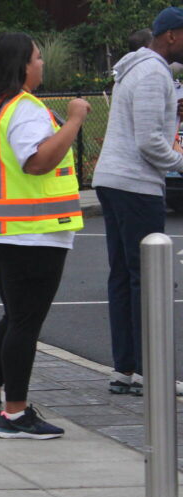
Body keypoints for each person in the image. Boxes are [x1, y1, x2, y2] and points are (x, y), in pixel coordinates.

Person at [0, 33, 91, 439]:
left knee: (16, 318)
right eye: (37, 57)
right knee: (25, 324)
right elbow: (36, 162)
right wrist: (73, 120)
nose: (42, 63)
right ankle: (15, 414)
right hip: (31, 234)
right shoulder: (25, 110)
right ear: (22, 66)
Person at [94, 7, 183, 398]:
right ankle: (151, 372)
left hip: (114, 181)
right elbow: (149, 141)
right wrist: (180, 162)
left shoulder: (138, 68)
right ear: (171, 37)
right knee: (145, 278)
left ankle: (125, 370)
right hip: (135, 185)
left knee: (125, 277)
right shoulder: (151, 74)